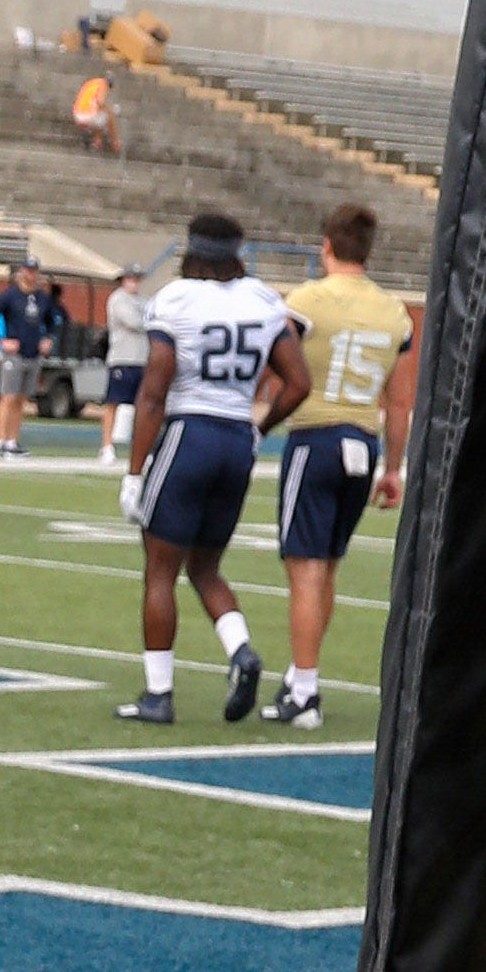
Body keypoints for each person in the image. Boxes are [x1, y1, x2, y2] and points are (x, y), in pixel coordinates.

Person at [112, 204, 288, 721]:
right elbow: (297, 381)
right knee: (206, 567)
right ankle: (242, 652)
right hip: (237, 439)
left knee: (160, 571)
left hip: (190, 433)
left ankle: (158, 695)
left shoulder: (177, 299)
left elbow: (153, 393)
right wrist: (258, 428)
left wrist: (134, 472)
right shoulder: (263, 299)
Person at [269, 201, 413, 716]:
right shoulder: (392, 311)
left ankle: (305, 690)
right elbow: (398, 401)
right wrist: (393, 468)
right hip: (363, 444)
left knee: (305, 567)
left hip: (316, 437)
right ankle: (299, 674)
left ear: (326, 247)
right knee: (326, 566)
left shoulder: (308, 298)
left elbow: (278, 366)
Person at [0, 253, 69, 457]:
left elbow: (54, 321)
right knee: (8, 397)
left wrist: (48, 338)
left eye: (34, 271)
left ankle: (12, 440)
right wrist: (1, 341)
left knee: (21, 399)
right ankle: (0, 441)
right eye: (28, 271)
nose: (31, 275)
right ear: (21, 272)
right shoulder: (10, 296)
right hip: (15, 354)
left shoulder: (42, 298)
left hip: (33, 354)